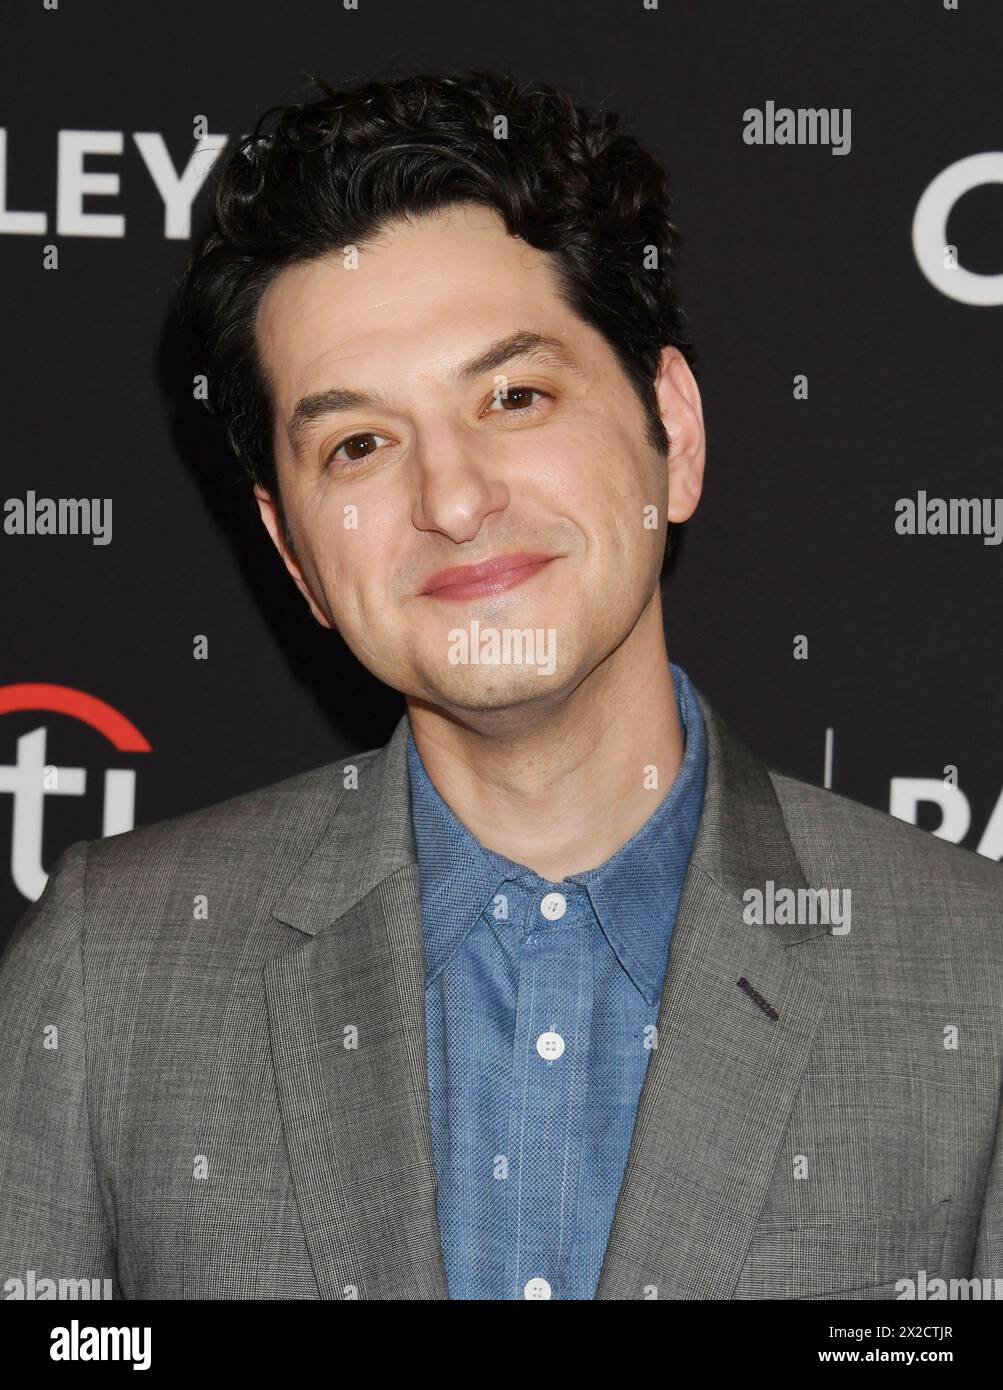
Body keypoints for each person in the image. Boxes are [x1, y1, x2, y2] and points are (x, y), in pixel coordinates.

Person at [1, 68, 1000, 1302]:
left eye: (514, 396)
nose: (454, 499)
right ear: (293, 551)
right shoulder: (112, 973)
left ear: (670, 433)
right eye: (358, 443)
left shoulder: (975, 980)